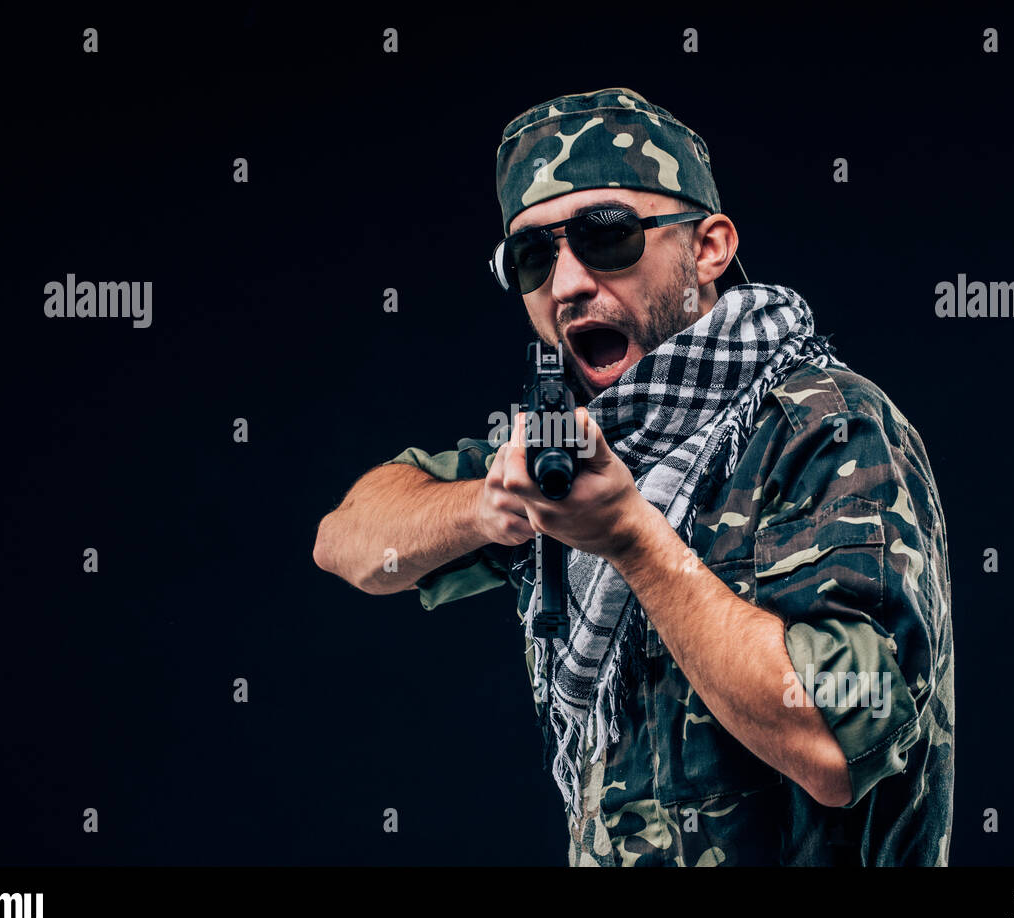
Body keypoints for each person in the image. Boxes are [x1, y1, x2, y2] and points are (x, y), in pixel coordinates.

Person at [313, 88, 954, 866]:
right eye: (532, 257)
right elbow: (345, 542)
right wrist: (489, 505)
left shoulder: (824, 424)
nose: (568, 282)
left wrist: (632, 540)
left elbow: (833, 741)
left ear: (709, 248)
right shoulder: (570, 456)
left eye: (606, 236)